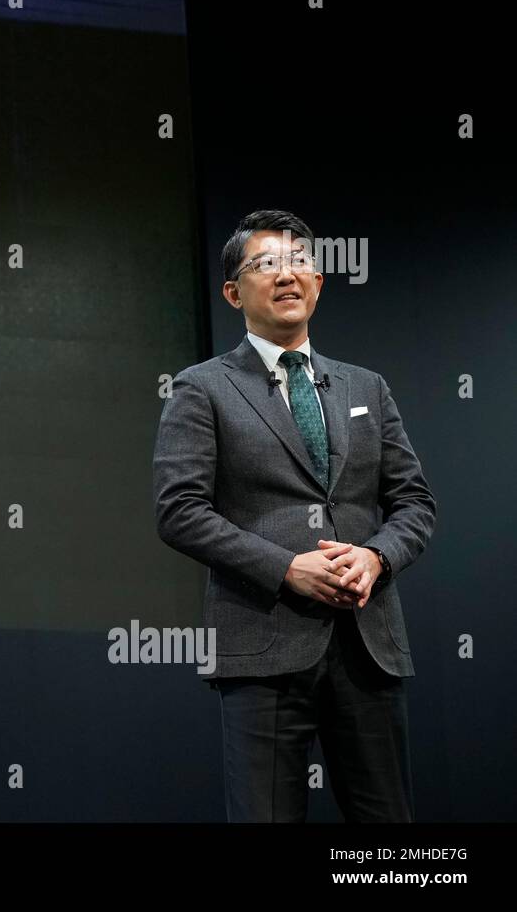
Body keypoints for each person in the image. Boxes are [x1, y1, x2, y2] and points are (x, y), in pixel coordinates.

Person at [152, 209, 436, 821]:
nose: (287, 275)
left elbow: (414, 503)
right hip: (263, 645)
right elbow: (179, 511)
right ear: (233, 292)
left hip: (369, 645)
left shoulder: (368, 388)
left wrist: (377, 555)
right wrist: (287, 568)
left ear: (319, 282)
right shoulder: (200, 388)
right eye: (265, 265)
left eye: (300, 262)